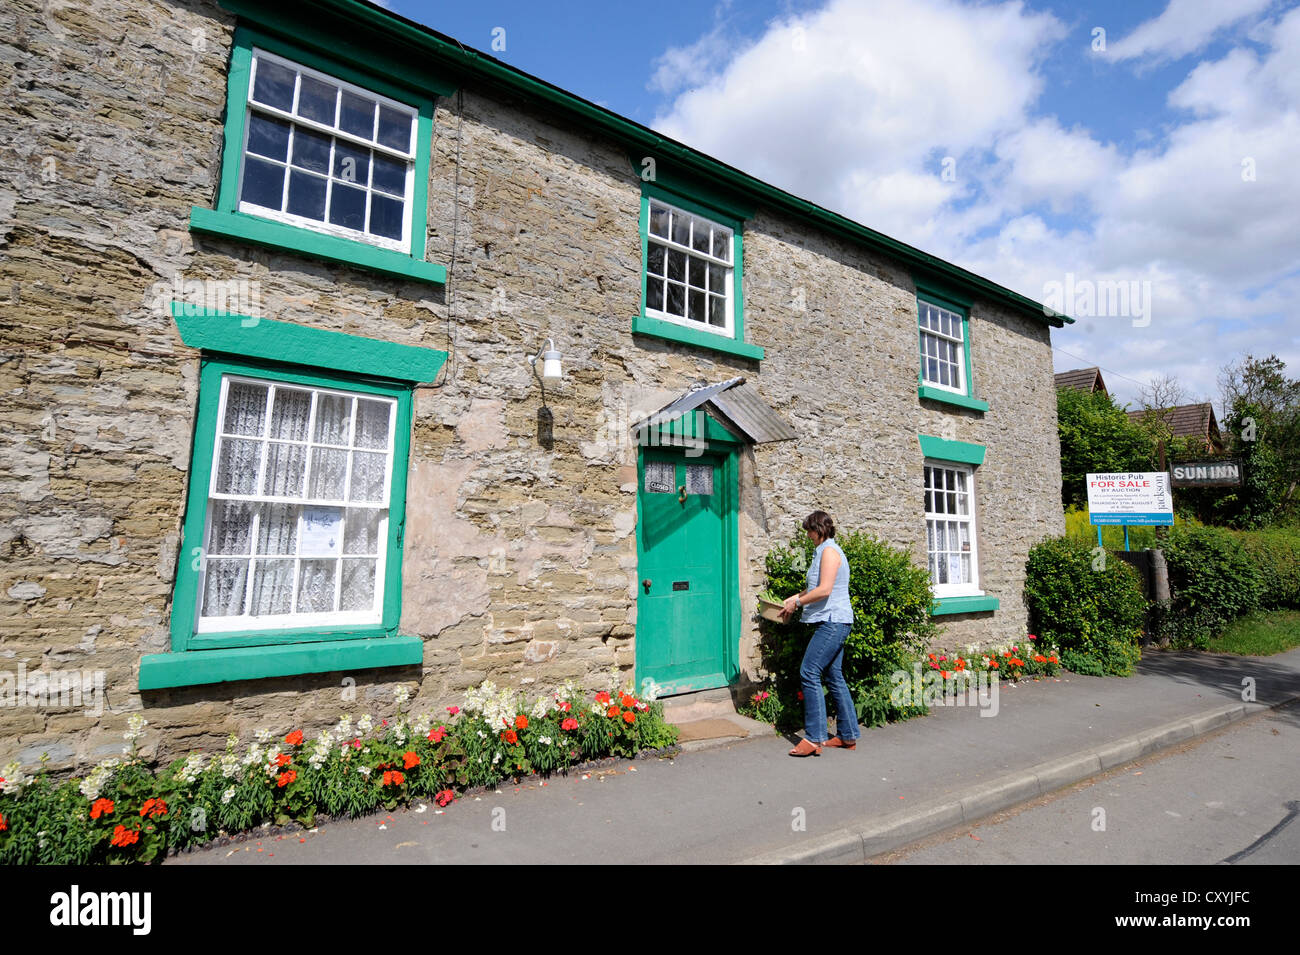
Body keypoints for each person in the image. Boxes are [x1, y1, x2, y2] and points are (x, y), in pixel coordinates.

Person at [781, 510, 858, 757]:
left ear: (819, 529)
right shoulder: (823, 552)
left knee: (809, 671)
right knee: (834, 676)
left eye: (809, 531)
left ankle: (814, 738)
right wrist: (793, 599)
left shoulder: (829, 552)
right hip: (836, 620)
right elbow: (814, 588)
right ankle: (847, 736)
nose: (808, 536)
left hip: (833, 621)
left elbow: (824, 590)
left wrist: (799, 604)